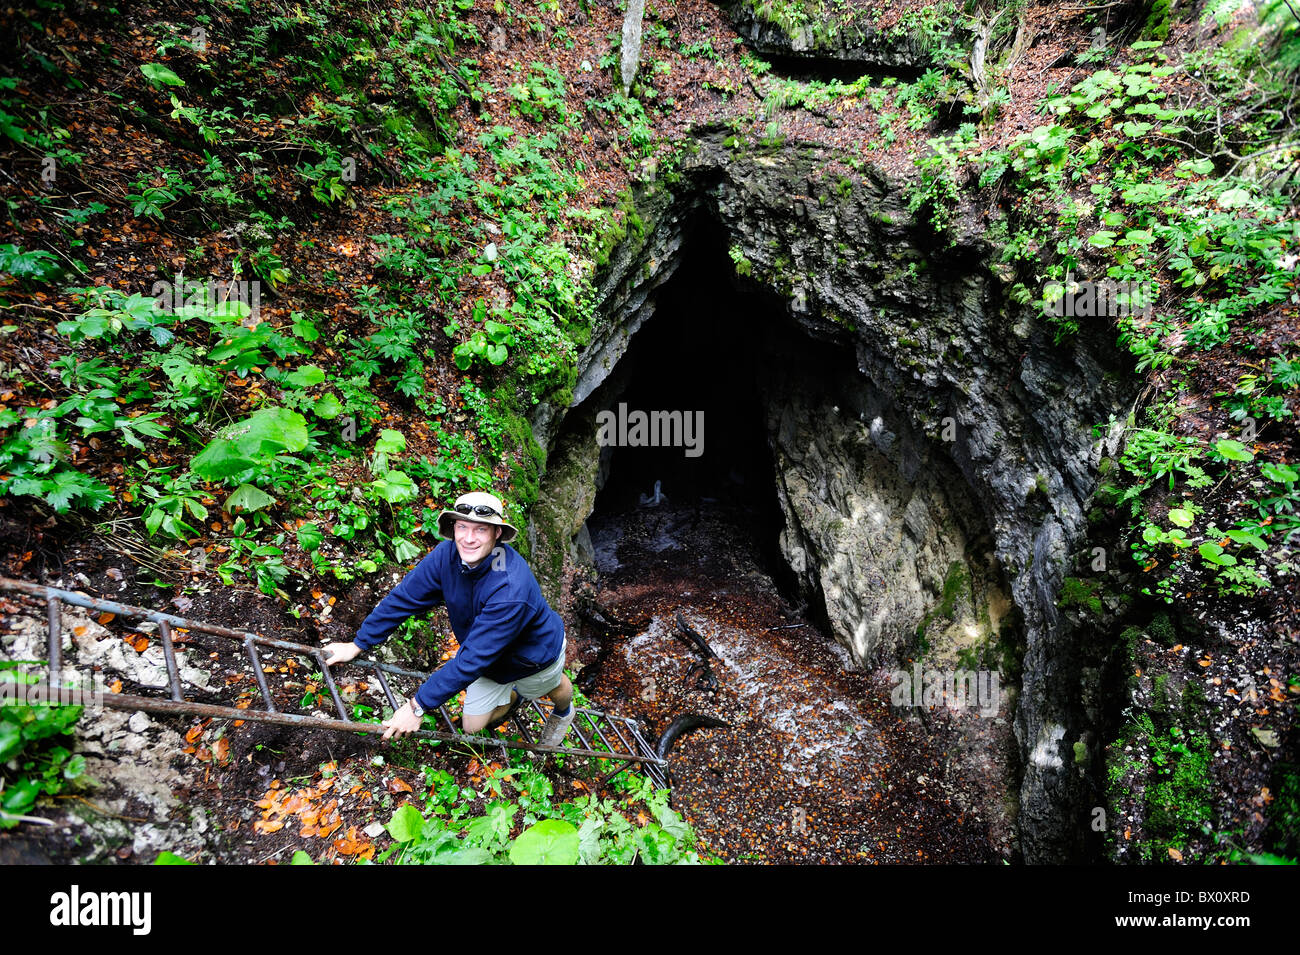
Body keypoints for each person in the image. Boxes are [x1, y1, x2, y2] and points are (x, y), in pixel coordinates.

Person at [321, 491, 576, 747]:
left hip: (533, 657)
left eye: (481, 530)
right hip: (491, 661)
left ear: (497, 534)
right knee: (472, 726)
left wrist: (416, 707)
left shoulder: (510, 588)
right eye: (462, 526)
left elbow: (473, 657)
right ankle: (516, 696)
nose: (468, 538)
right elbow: (404, 598)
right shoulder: (449, 556)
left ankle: (564, 710)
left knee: (552, 687)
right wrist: (358, 644)